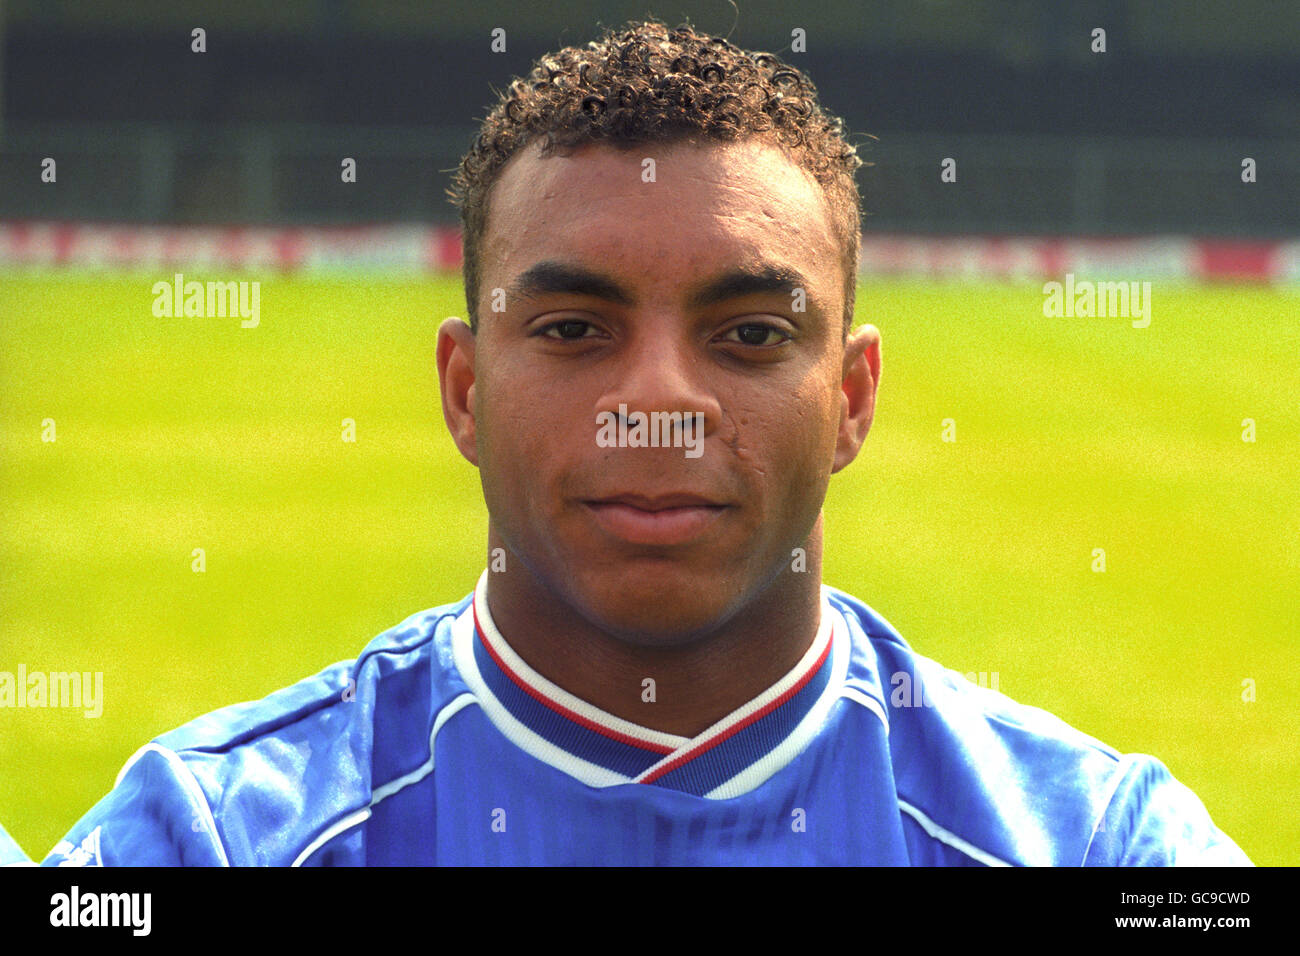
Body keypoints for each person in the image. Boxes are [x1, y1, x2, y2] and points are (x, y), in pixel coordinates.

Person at [41, 19, 1249, 866]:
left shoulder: (1097, 845)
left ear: (855, 396)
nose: (658, 402)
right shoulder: (215, 835)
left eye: (750, 334)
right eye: (572, 327)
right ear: (464, 388)